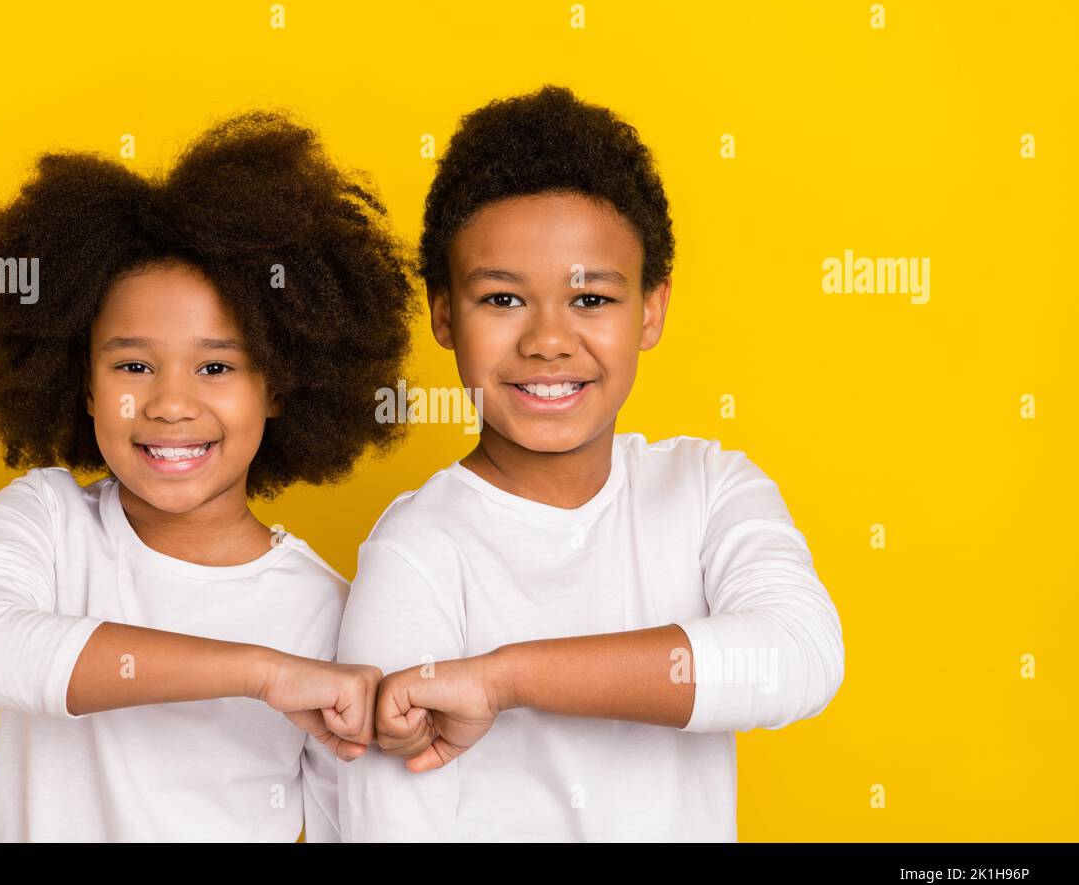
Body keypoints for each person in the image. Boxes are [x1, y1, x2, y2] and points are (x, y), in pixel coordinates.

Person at [336, 85, 846, 841]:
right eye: (504, 300)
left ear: (651, 309)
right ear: (445, 314)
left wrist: (506, 678)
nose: (548, 341)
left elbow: (798, 657)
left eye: (592, 299)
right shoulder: (418, 551)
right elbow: (390, 821)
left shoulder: (709, 488)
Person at [0, 110, 417, 841]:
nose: (171, 403)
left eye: (216, 367)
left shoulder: (328, 615)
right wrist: (259, 672)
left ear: (279, 385)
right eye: (133, 365)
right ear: (84, 384)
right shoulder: (47, 521)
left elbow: (351, 824)